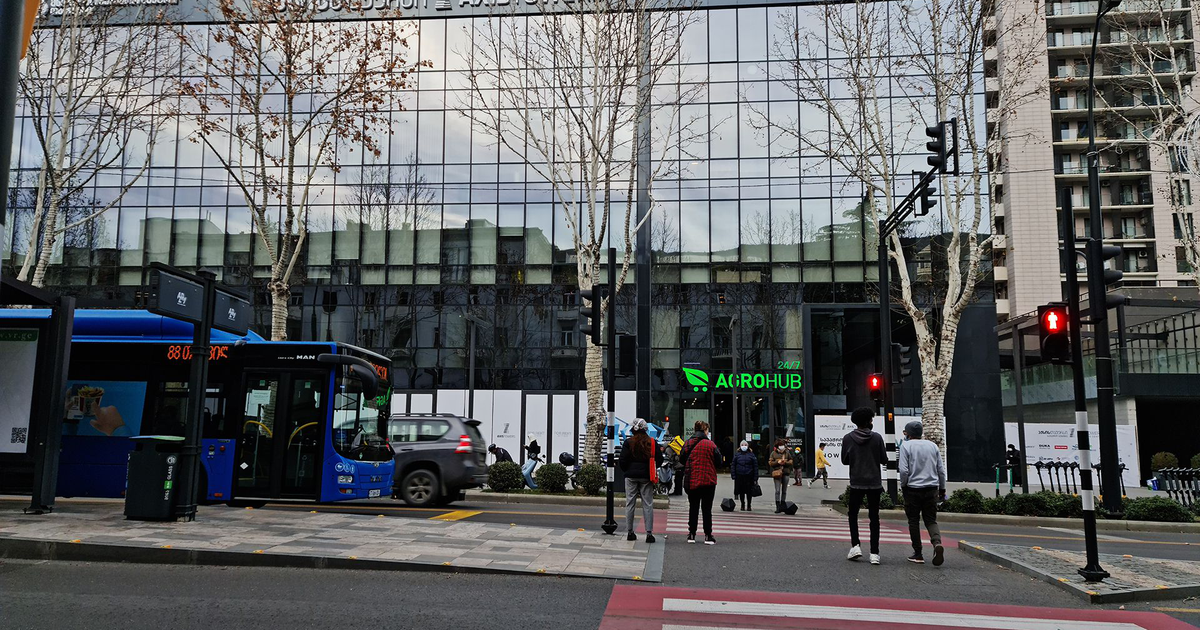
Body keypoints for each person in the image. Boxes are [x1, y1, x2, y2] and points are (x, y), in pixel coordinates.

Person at [842, 407, 887, 565]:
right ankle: (874, 553)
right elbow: (884, 459)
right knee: (874, 517)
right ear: (869, 421)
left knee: (852, 515)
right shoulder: (877, 438)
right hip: (874, 483)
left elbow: (844, 460)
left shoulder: (848, 438)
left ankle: (855, 546)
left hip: (856, 483)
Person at [899, 421, 946, 566]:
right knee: (931, 520)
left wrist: (904, 485)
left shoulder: (905, 446)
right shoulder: (932, 446)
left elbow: (903, 471)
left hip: (913, 489)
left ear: (908, 434)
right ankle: (937, 543)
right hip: (931, 489)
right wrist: (942, 489)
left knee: (913, 521)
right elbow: (941, 470)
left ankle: (918, 553)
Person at [619, 419, 663, 543]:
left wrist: (628, 470)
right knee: (648, 504)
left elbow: (622, 460)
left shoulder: (628, 442)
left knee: (630, 503)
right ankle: (649, 534)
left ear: (633, 429)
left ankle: (630, 532)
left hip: (631, 476)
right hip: (646, 476)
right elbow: (659, 460)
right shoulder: (652, 442)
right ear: (646, 429)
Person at [680, 420, 722, 545]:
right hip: (708, 481)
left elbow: (682, 459)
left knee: (693, 507)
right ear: (705, 430)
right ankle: (708, 535)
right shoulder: (711, 445)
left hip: (692, 480)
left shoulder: (688, 443)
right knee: (706, 509)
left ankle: (691, 534)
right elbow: (719, 462)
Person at [730, 440, 759, 511]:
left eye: (745, 445)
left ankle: (749, 504)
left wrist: (755, 477)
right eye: (742, 445)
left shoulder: (751, 454)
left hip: (749, 476)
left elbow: (755, 466)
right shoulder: (737, 454)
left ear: (748, 446)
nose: (744, 446)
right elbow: (733, 465)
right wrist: (733, 475)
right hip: (739, 475)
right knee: (741, 491)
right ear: (740, 446)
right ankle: (742, 504)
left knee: (749, 491)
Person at [768, 438, 795, 513]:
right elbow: (770, 463)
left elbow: (791, 461)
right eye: (780, 445)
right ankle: (778, 506)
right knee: (777, 490)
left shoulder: (787, 453)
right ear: (777, 446)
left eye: (782, 445)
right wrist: (778, 462)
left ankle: (783, 505)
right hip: (777, 473)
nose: (781, 446)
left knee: (784, 490)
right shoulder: (773, 453)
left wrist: (785, 462)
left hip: (786, 473)